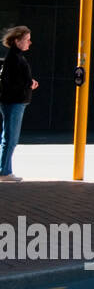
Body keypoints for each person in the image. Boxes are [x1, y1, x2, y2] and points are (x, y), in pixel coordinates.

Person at [0, 25, 38, 182]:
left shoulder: (16, 57)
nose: (30, 43)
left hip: (15, 101)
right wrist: (29, 84)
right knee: (10, 137)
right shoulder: (14, 59)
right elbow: (12, 82)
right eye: (27, 40)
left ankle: (5, 170)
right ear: (17, 41)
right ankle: (4, 171)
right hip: (14, 102)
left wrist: (28, 82)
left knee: (8, 136)